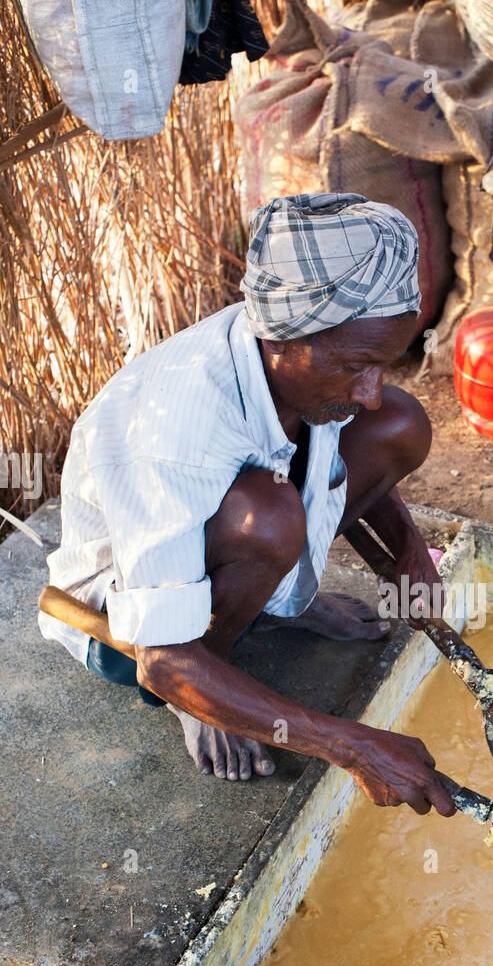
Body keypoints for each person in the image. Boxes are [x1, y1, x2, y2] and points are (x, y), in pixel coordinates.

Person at [39, 192, 455, 816]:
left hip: (238, 540)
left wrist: (408, 553)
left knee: (399, 421)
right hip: (128, 630)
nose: (367, 390)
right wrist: (353, 746)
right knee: (269, 518)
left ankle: (279, 605)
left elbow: (348, 440)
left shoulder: (302, 364)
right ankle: (202, 689)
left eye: (382, 363)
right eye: (355, 367)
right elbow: (159, 657)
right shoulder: (176, 431)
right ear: (282, 339)